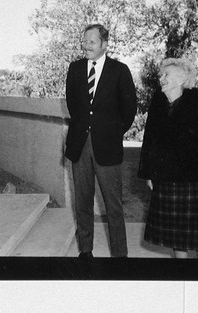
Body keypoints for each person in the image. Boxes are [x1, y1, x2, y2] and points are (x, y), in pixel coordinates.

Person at [65, 24, 137, 258]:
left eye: (91, 42)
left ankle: (120, 256)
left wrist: (112, 133)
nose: (86, 45)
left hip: (108, 148)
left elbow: (129, 110)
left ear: (105, 44)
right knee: (82, 202)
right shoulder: (75, 69)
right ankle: (85, 251)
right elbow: (73, 105)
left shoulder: (120, 70)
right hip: (79, 146)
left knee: (113, 205)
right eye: (84, 41)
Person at [138, 58, 198, 259]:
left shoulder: (197, 102)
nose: (161, 78)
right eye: (161, 75)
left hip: (193, 178)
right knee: (176, 235)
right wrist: (149, 172)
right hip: (165, 178)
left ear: (182, 79)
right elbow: (149, 139)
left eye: (166, 75)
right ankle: (182, 272)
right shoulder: (158, 102)